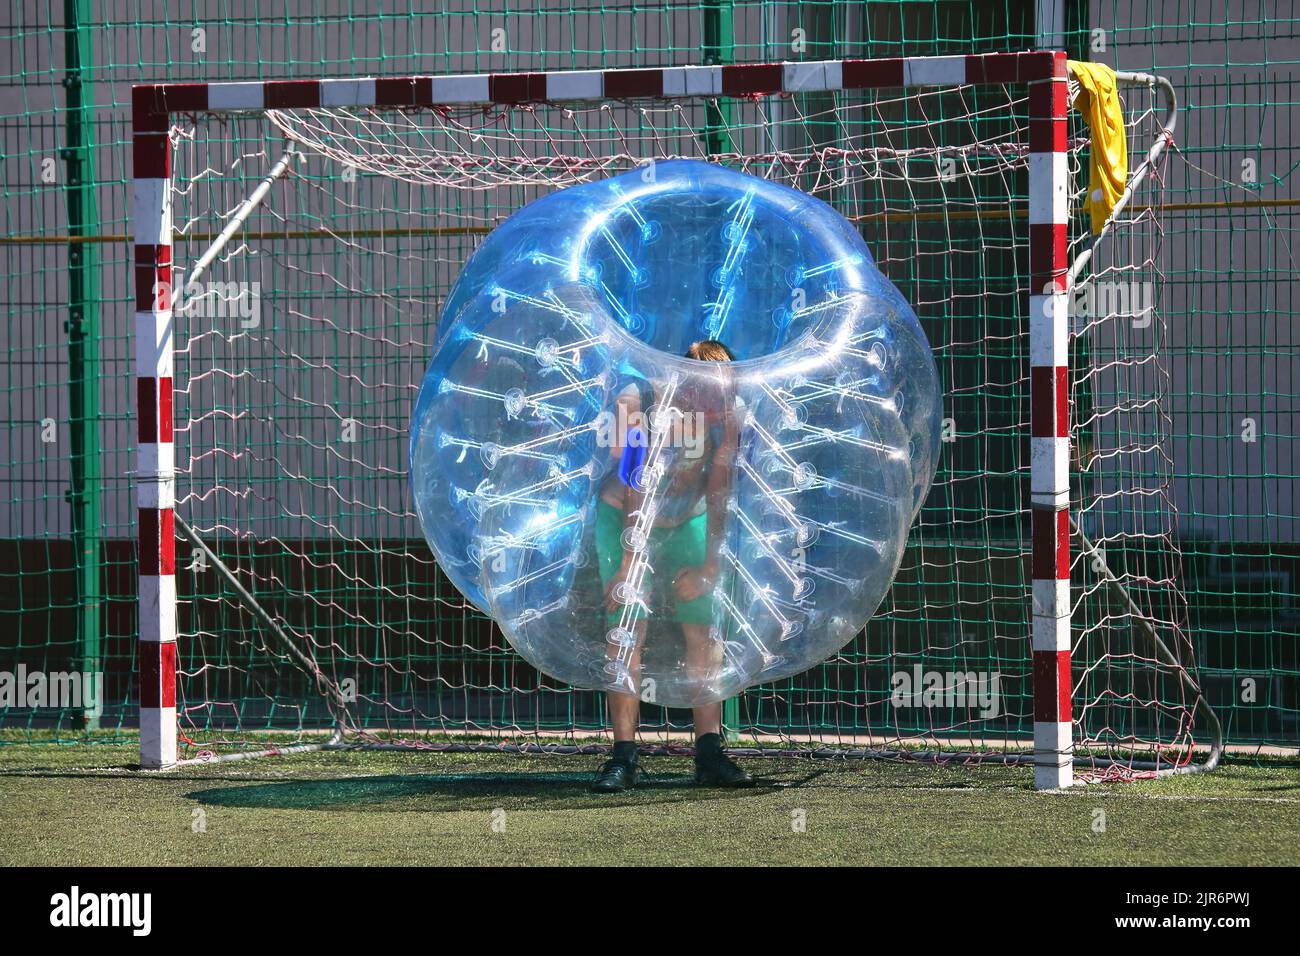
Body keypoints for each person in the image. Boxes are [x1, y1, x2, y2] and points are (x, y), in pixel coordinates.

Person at [590, 339, 755, 792]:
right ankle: (623, 756)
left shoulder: (728, 411)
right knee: (628, 624)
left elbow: (719, 486)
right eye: (710, 395)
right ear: (687, 384)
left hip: (687, 518)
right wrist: (629, 563)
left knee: (703, 626)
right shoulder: (637, 399)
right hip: (623, 514)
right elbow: (633, 482)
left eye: (725, 395)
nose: (718, 405)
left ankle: (709, 751)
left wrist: (710, 566)